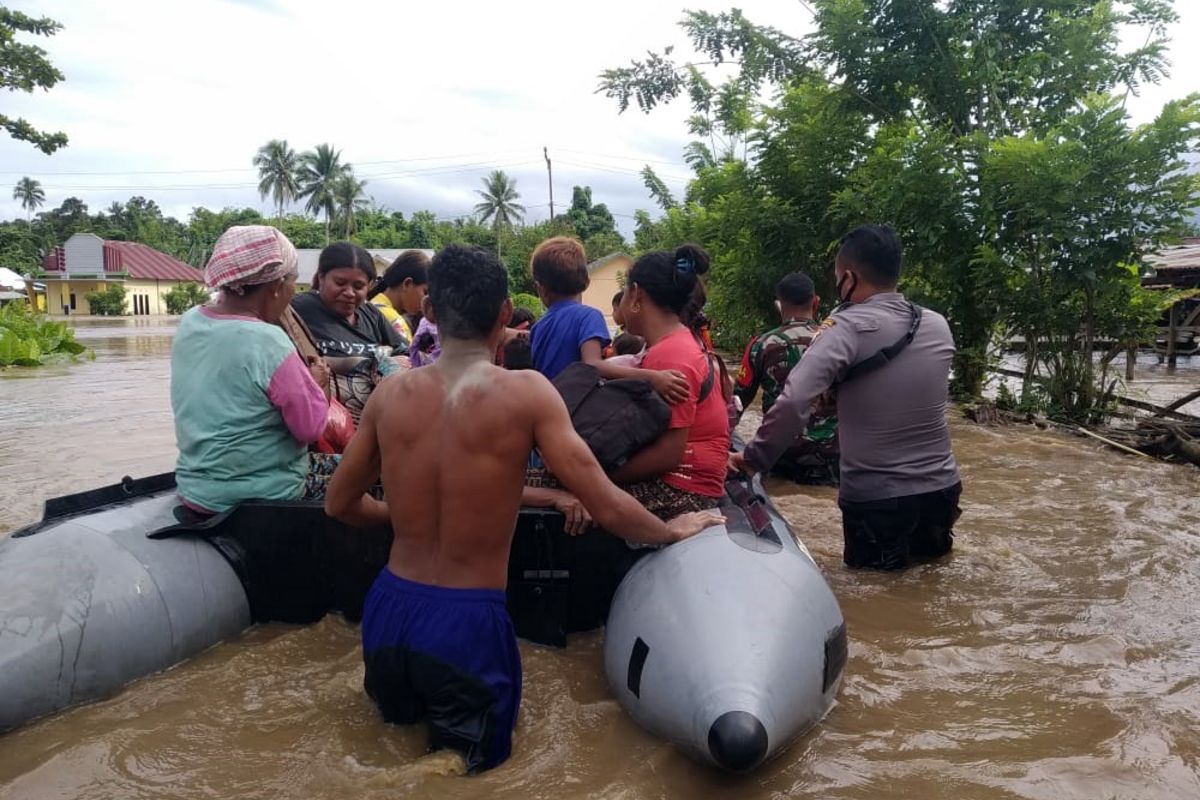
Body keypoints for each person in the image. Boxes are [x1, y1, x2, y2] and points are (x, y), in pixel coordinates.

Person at [324, 244, 722, 772]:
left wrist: (399, 518)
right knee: (470, 777)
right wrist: (670, 532)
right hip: (466, 623)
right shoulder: (527, 393)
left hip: (388, 611)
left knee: (387, 759)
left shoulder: (390, 394)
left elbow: (339, 503)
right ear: (507, 315)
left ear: (433, 313)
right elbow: (602, 499)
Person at [729, 225, 962, 570]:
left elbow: (794, 402)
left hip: (878, 500)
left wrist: (752, 459)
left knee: (878, 606)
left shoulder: (844, 328)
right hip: (942, 489)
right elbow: (904, 394)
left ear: (849, 279)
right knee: (928, 588)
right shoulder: (936, 324)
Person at [171, 225, 333, 514]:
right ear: (275, 286)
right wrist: (319, 384)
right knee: (372, 470)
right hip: (268, 493)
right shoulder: (268, 341)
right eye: (294, 283)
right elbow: (309, 429)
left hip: (195, 488)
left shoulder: (190, 322)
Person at [610, 244, 731, 519]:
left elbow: (668, 454)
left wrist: (601, 476)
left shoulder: (670, 356)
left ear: (636, 294)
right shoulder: (677, 345)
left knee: (542, 481)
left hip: (681, 488)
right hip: (690, 482)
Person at [529, 236, 688, 403]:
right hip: (574, 409)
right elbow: (591, 365)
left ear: (542, 289)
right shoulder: (588, 316)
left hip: (544, 406)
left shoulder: (537, 327)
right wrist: (652, 378)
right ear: (586, 282)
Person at [735, 272, 838, 480]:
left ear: (779, 305)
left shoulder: (761, 345)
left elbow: (736, 403)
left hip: (781, 457)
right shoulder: (838, 342)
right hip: (833, 456)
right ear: (815, 302)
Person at [291, 241, 406, 366]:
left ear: (369, 286)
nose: (349, 293)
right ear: (321, 277)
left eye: (358, 286)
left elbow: (407, 352)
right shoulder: (298, 308)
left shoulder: (372, 315)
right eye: (340, 283)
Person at [368, 250, 430, 344]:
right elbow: (410, 358)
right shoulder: (394, 321)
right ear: (407, 284)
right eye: (425, 292)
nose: (426, 300)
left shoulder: (369, 307)